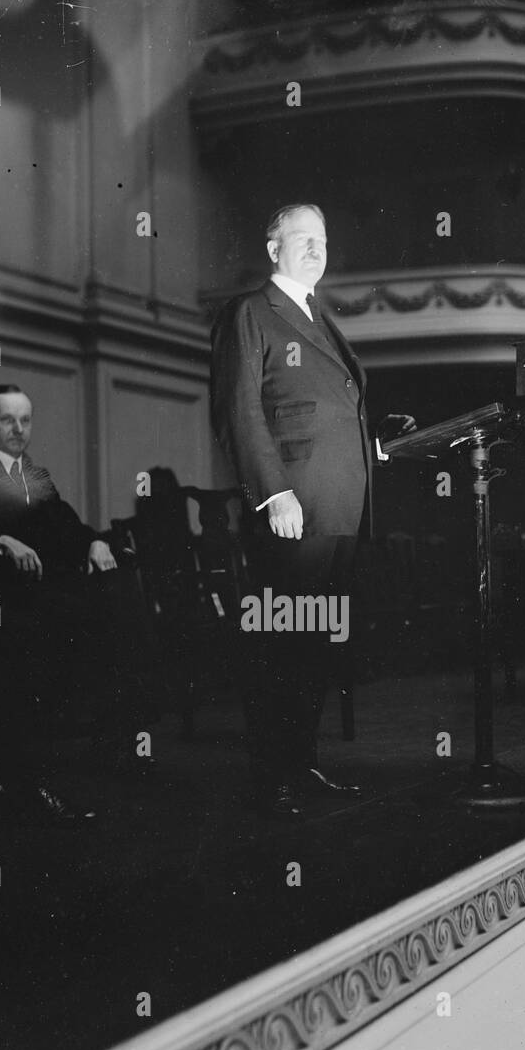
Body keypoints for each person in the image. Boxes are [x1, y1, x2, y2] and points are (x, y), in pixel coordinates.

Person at [210, 204, 415, 817]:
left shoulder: (318, 317)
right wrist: (274, 494)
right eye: (303, 239)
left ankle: (298, 767)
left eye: (323, 240)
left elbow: (325, 410)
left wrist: (375, 440)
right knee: (281, 642)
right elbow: (240, 410)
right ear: (273, 249)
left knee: (314, 645)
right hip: (293, 507)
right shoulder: (251, 313)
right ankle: (270, 778)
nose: (316, 250)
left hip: (340, 505)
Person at [0, 384, 156, 822]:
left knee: (120, 585)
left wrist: (92, 542)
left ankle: (120, 739)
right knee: (48, 621)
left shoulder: (35, 474)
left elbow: (68, 527)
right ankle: (24, 778)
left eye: (25, 420)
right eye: (6, 419)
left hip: (41, 586)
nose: (18, 429)